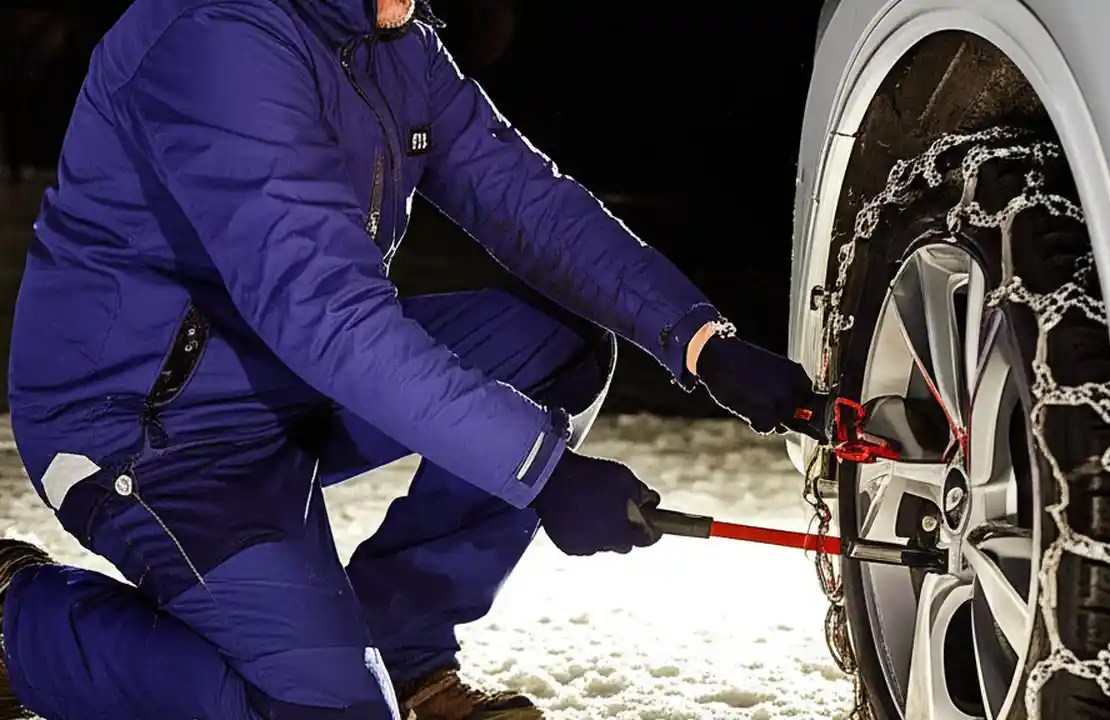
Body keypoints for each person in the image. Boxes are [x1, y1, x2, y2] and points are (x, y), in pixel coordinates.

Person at [0, 1, 822, 718]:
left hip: (287, 381)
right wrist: (541, 469)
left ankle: (401, 644)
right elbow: (326, 313)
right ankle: (18, 625)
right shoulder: (218, 34)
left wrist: (701, 342)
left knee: (556, 349)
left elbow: (530, 203)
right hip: (149, 427)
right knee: (317, 712)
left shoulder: (388, 35)